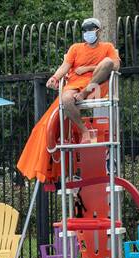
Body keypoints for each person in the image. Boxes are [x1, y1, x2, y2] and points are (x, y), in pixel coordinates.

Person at [18, 18, 121, 180]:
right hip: (75, 85)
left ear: (98, 31)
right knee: (66, 100)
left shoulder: (107, 47)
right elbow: (64, 67)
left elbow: (114, 66)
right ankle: (85, 131)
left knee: (107, 62)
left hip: (96, 86)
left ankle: (84, 94)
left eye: (91, 30)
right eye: (85, 31)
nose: (88, 34)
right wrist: (55, 77)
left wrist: (87, 68)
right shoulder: (75, 48)